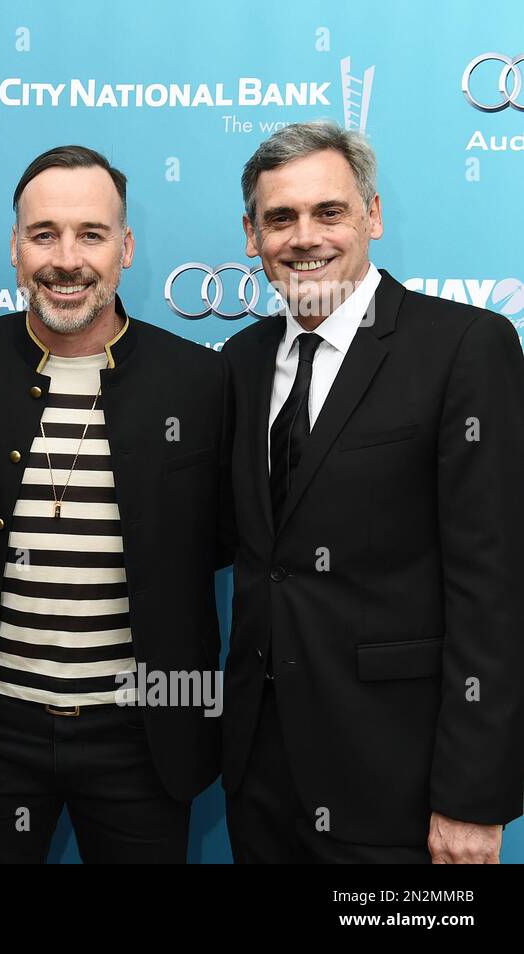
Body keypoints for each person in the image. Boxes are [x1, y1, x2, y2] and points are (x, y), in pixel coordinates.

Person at [0, 145, 231, 863]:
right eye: (43, 234)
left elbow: (218, 541)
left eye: (91, 234)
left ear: (126, 249)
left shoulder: (200, 382)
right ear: (15, 251)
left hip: (144, 739)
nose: (66, 258)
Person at [221, 120, 524, 863]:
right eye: (280, 218)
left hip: (402, 786)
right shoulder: (241, 360)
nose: (305, 237)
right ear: (252, 235)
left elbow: (496, 588)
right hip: (261, 778)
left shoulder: (464, 348)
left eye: (330, 211)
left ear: (373, 217)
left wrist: (472, 796)